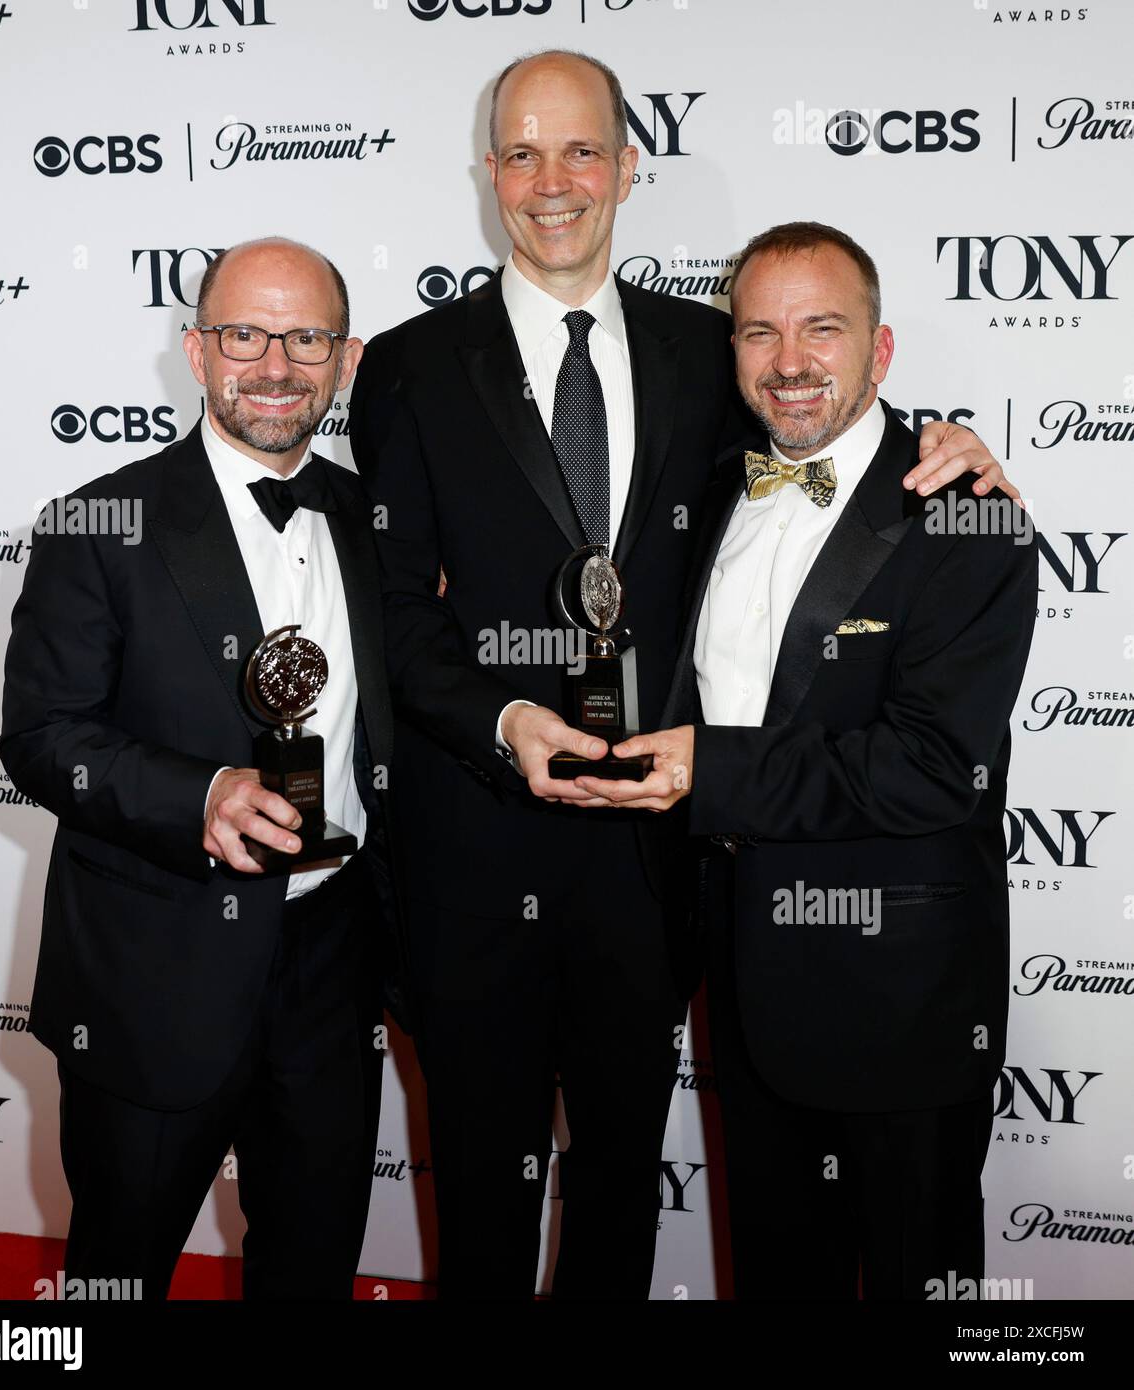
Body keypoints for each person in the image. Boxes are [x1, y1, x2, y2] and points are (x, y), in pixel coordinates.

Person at [350, 50, 1016, 1298]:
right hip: (476, 854)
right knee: (482, 1199)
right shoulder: (406, 364)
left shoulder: (711, 349)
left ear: (628, 164)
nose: (554, 182)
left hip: (662, 867)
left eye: (582, 149)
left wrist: (954, 451)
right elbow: (392, 608)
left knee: (621, 1191)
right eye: (523, 152)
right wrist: (503, 717)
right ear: (489, 171)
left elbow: (824, 415)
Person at [577, 221, 1038, 1299]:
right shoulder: (712, 488)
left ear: (881, 352)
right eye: (760, 333)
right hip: (741, 977)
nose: (789, 362)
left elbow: (932, 766)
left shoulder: (968, 522)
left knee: (921, 1274)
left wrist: (711, 771)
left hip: (901, 996)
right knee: (781, 1274)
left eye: (823, 330)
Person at [0, 236, 396, 1300]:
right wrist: (202, 794)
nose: (276, 364)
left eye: (307, 337)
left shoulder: (378, 521)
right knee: (116, 1273)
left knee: (310, 1264)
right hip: (153, 963)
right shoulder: (98, 522)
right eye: (245, 334)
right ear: (195, 350)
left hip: (333, 959)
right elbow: (41, 734)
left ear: (347, 360)